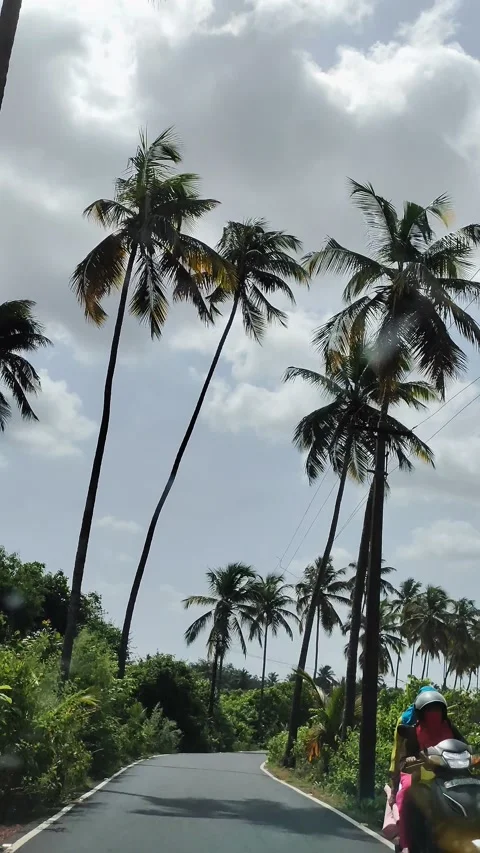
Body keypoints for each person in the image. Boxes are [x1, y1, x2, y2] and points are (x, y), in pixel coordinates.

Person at [390, 689, 464, 852]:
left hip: (450, 778)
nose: (434, 714)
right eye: (429, 710)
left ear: (443, 712)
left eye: (437, 710)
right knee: (405, 793)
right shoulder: (414, 733)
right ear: (420, 714)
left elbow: (464, 745)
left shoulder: (450, 727)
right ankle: (406, 844)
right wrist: (410, 760)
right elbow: (402, 760)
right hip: (422, 781)